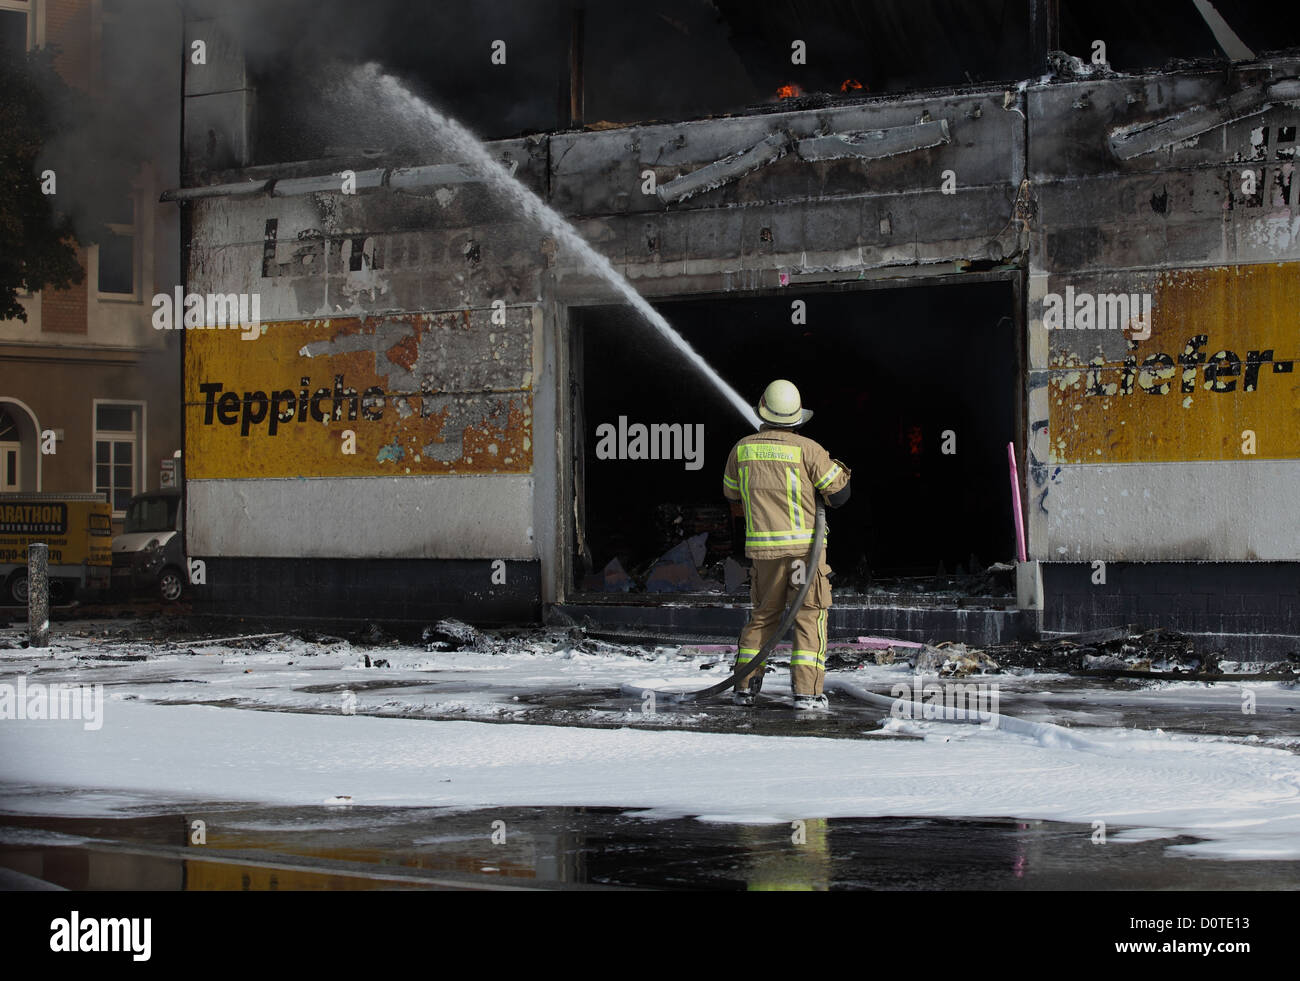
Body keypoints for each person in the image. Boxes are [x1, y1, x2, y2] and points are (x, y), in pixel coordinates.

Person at [722, 379, 851, 710]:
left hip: (764, 556)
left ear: (762, 410)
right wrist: (836, 469)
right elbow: (839, 495)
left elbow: (732, 494)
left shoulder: (742, 449)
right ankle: (807, 694)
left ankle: (744, 688)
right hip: (804, 556)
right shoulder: (809, 450)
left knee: (763, 617)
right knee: (809, 617)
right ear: (797, 418)